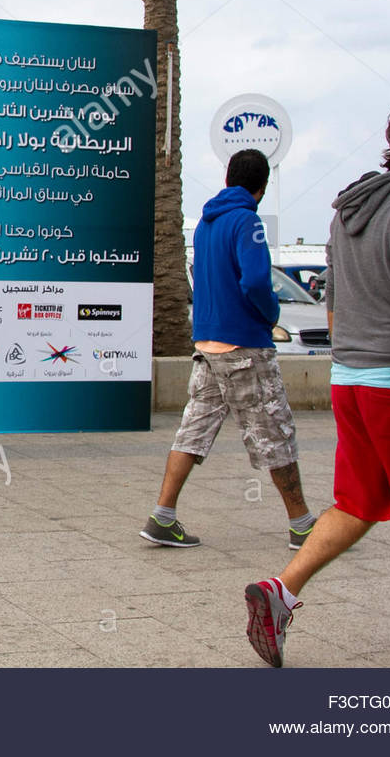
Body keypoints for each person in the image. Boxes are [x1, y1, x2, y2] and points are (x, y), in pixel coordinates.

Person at [245, 97, 390, 669]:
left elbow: (333, 298)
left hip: (350, 380)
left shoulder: (350, 210)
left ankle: (280, 592)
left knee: (359, 501)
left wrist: (350, 358)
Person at [140, 149, 316, 549]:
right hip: (244, 347)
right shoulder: (248, 220)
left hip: (207, 345)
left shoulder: (206, 223)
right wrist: (270, 313)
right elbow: (255, 281)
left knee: (193, 430)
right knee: (275, 432)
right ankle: (302, 523)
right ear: (262, 186)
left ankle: (163, 516)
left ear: (227, 178)